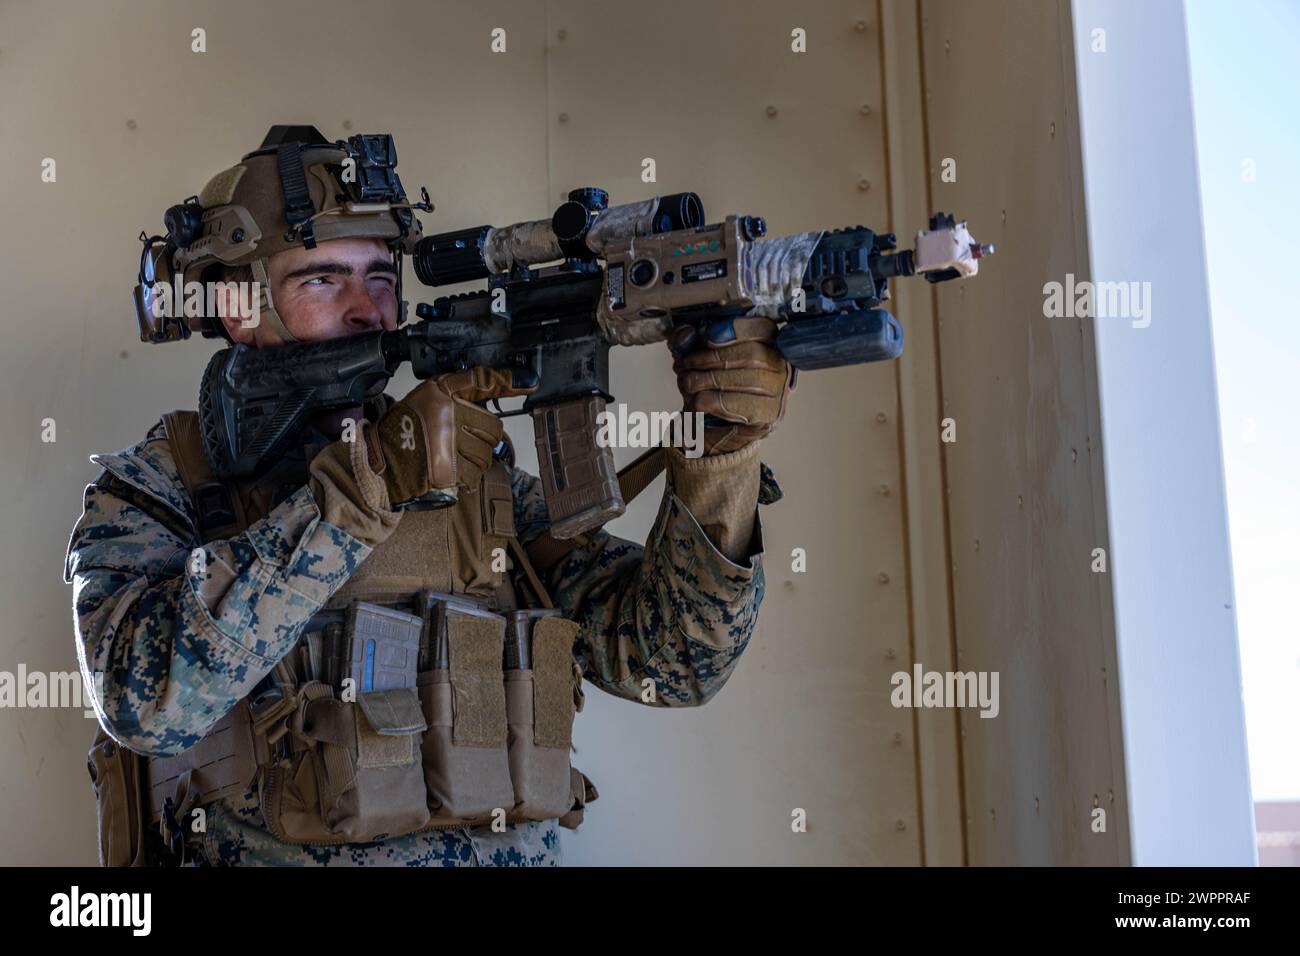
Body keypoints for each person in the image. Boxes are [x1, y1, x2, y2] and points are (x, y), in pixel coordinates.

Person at [65, 126, 791, 866]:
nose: (366, 309)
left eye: (380, 277)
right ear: (237, 308)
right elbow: (144, 701)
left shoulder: (469, 477)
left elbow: (671, 662)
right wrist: (370, 482)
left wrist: (721, 458)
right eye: (321, 279)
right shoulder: (160, 485)